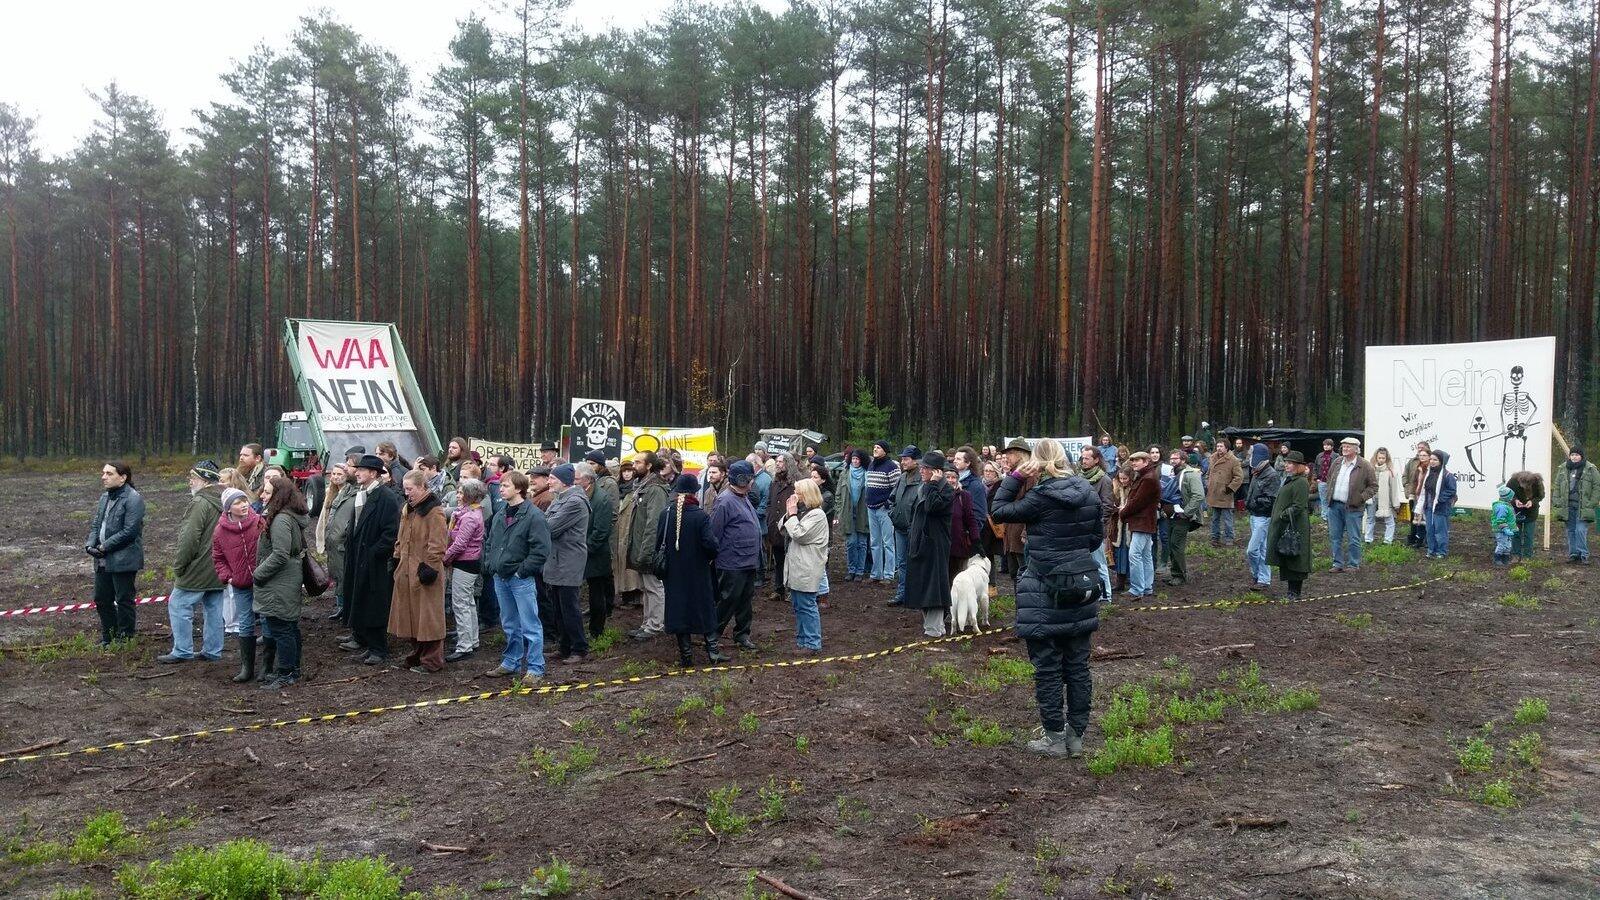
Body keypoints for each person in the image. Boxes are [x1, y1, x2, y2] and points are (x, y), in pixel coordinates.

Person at [990, 437, 1104, 758]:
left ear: (1036, 463)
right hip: (1080, 587)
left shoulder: (1040, 497)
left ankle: (1055, 737)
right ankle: (1076, 736)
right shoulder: (1088, 493)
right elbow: (1096, 538)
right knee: (1078, 667)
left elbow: (998, 512)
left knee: (1048, 668)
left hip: (1043, 591)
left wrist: (1013, 478)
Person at [484, 471, 551, 680]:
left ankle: (535, 668)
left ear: (519, 489)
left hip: (519, 579)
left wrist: (522, 571)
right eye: (501, 485)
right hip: (500, 576)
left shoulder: (534, 516)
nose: (501, 489)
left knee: (530, 624)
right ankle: (511, 661)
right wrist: (490, 564)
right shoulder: (500, 513)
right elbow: (490, 542)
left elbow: (541, 550)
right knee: (510, 623)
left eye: (505, 485)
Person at [160, 460, 227, 664]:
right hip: (220, 565)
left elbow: (189, 537)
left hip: (199, 565)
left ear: (205, 481)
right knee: (214, 607)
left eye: (193, 477)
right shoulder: (225, 501)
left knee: (178, 603)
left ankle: (182, 650)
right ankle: (213, 650)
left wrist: (180, 565)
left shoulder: (200, 503)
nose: (190, 481)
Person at [657, 473, 725, 666]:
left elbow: (658, 544)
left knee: (679, 611)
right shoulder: (701, 516)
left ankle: (686, 657)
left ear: (676, 491)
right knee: (705, 609)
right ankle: (713, 653)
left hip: (674, 574)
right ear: (695, 491)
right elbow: (711, 546)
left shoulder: (666, 514)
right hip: (698, 573)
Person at [342, 454, 402, 664]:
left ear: (373, 473)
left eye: (362, 470)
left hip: (375, 563)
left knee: (375, 604)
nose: (357, 472)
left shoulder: (385, 497)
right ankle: (367, 642)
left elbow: (390, 532)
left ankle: (379, 649)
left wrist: (373, 553)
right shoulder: (361, 494)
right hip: (359, 559)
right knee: (362, 600)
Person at [252, 476, 310, 688]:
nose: (262, 495)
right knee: (288, 626)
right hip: (285, 578)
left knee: (282, 628)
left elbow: (280, 554)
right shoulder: (287, 516)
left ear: (279, 495)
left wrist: (258, 574)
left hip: (280, 581)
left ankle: (286, 673)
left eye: (267, 492)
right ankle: (292, 669)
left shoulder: (281, 520)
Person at [391, 470, 449, 674]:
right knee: (411, 617)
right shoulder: (409, 509)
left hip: (425, 572)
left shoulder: (434, 512)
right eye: (405, 489)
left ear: (423, 488)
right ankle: (417, 655)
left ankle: (432, 660)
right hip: (407, 570)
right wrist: (397, 557)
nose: (407, 493)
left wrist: (430, 568)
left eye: (411, 489)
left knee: (429, 619)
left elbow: (438, 544)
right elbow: (401, 537)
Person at [87, 461, 146, 646]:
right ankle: (109, 637)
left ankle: (126, 638)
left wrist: (104, 547)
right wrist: (90, 544)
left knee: (123, 600)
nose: (103, 477)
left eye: (109, 473)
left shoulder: (133, 498)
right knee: (102, 599)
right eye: (103, 472)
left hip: (124, 559)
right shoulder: (105, 497)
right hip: (103, 559)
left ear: (123, 477)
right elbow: (97, 524)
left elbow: (130, 531)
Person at [212, 488, 263, 682]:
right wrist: (228, 577)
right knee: (245, 623)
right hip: (241, 584)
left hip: (263, 581)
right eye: (237, 502)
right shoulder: (220, 531)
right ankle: (247, 668)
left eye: (244, 500)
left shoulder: (259, 522)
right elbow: (218, 558)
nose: (243, 505)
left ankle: (267, 665)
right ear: (228, 508)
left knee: (266, 620)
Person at [543, 463, 592, 661]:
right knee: (558, 607)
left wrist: (542, 523)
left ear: (564, 482)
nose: (548, 482)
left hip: (568, 561)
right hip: (557, 559)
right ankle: (564, 646)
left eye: (552, 479)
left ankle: (579, 648)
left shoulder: (575, 502)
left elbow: (549, 527)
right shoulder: (560, 499)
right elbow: (545, 521)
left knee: (569, 607)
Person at [904, 450, 956, 637]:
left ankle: (935, 628)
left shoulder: (946, 489)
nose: (921, 471)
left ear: (936, 471)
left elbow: (932, 507)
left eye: (925, 468)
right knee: (922, 583)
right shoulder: (925, 486)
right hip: (921, 542)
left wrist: (934, 484)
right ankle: (932, 626)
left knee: (934, 586)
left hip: (935, 544)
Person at [713, 461, 763, 652]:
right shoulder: (725, 501)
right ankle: (713, 634)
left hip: (747, 560)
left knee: (745, 601)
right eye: (750, 478)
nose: (752, 481)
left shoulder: (743, 497)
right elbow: (715, 533)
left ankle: (742, 635)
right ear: (744, 480)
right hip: (732, 562)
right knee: (727, 600)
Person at [780, 477, 830, 654]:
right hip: (798, 567)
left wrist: (792, 514)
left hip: (807, 568)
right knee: (799, 605)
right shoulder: (803, 512)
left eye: (797, 492)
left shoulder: (817, 515)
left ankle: (812, 643)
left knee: (807, 606)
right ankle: (803, 640)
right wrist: (790, 513)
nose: (794, 496)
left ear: (806, 494)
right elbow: (783, 527)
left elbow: (799, 534)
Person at [625, 452, 672, 640]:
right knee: (645, 588)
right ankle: (647, 623)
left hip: (649, 548)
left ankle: (655, 625)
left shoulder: (655, 489)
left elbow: (654, 524)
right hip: (641, 547)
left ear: (649, 466)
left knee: (654, 588)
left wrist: (646, 552)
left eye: (638, 462)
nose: (633, 465)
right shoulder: (643, 486)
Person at [444, 479, 487, 662]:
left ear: (469, 495)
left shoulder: (470, 517)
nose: (458, 496)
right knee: (468, 603)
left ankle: (464, 646)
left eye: (461, 493)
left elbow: (460, 544)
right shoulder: (468, 513)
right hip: (468, 562)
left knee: (460, 604)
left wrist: (445, 558)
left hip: (465, 563)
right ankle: (472, 640)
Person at [1324, 437, 1377, 572]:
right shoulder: (1337, 462)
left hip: (1353, 507)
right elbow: (1329, 478)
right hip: (1334, 505)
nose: (1345, 449)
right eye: (1343, 446)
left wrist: (1360, 498)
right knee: (1335, 536)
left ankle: (1353, 564)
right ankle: (1337, 564)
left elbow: (1373, 486)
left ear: (1356, 449)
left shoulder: (1364, 465)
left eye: (1348, 447)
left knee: (1354, 537)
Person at [580, 452, 619, 638]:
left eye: (577, 479)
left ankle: (597, 630)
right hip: (588, 551)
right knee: (594, 591)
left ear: (587, 480)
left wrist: (586, 548)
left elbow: (601, 531)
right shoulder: (586, 495)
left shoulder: (601, 498)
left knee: (597, 593)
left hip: (595, 553)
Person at [1267, 452, 1313, 600]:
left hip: (1295, 525)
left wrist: (1283, 515)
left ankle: (1295, 592)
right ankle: (1291, 591)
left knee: (1295, 556)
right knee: (1287, 555)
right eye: (1286, 462)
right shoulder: (1290, 480)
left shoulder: (1301, 482)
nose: (1286, 465)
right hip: (1286, 524)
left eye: (1290, 463)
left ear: (1298, 466)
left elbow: (1299, 506)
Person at [1077, 446, 1116, 598]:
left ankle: (1106, 596)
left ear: (1096, 460)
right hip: (1080, 527)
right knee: (1085, 564)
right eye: (1082, 458)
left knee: (1099, 563)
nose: (1084, 461)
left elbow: (1107, 506)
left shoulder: (1104, 479)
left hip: (1096, 529)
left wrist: (1096, 525)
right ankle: (1092, 593)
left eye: (1087, 458)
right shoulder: (1079, 477)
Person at [319, 463, 356, 622]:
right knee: (335, 574)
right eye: (333, 474)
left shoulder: (350, 493)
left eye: (339, 474)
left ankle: (344, 608)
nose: (335, 477)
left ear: (347, 475)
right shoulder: (330, 492)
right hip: (332, 539)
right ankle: (340, 606)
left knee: (343, 575)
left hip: (341, 540)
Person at [1242, 444, 1282, 588]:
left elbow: (1271, 500)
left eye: (1252, 454)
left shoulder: (1272, 475)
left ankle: (1258, 575)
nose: (1250, 457)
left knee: (1252, 550)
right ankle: (1262, 579)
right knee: (1262, 548)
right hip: (1255, 515)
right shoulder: (1256, 472)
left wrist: (1252, 502)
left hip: (1263, 517)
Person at [1120, 452, 1159, 598]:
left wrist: (1123, 513)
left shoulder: (1148, 479)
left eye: (1137, 460)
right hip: (1144, 521)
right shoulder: (1146, 476)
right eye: (1132, 461)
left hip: (1142, 521)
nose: (1134, 463)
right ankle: (1147, 587)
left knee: (1135, 554)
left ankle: (1137, 589)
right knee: (1145, 555)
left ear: (1146, 462)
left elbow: (1137, 502)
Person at [764, 455, 801, 603]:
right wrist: (769, 518)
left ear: (788, 464)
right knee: (778, 560)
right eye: (777, 462)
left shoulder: (797, 483)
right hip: (775, 527)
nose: (778, 464)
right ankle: (778, 589)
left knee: (791, 560)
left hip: (790, 526)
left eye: (781, 462)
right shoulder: (774, 483)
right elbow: (769, 503)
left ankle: (791, 590)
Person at [888, 446, 922, 606]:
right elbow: (892, 498)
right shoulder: (901, 478)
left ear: (916, 460)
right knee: (901, 562)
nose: (902, 462)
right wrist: (893, 514)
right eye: (902, 459)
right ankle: (902, 594)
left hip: (915, 529)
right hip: (900, 527)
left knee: (916, 562)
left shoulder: (922, 479)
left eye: (906, 459)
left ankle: (916, 595)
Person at [1000, 439, 1036, 585]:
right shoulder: (1014, 475)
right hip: (1011, 534)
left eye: (1010, 453)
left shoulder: (1030, 476)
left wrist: (1025, 532)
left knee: (1025, 576)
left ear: (1021, 455)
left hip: (1022, 535)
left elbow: (1031, 506)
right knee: (1015, 575)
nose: (1006, 457)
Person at [864, 440, 901, 584]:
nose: (875, 449)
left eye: (878, 447)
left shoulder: (892, 467)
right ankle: (876, 573)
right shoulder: (872, 465)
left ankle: (889, 574)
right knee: (874, 542)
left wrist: (888, 503)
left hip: (884, 509)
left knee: (888, 542)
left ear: (885, 450)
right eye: (874, 447)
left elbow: (897, 488)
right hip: (871, 507)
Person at [1166, 451, 1204, 586]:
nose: (1172, 461)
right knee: (1171, 544)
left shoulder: (1191, 474)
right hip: (1172, 515)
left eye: (1175, 458)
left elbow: (1199, 495)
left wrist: (1187, 513)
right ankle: (1175, 573)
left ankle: (1179, 576)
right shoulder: (1173, 474)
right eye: (1171, 458)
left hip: (1182, 516)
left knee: (1176, 544)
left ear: (1183, 460)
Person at [1558, 448, 1600, 563]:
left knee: (1580, 530)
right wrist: (1557, 500)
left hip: (1584, 506)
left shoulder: (1591, 469)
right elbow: (1557, 485)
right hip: (1568, 506)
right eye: (1572, 455)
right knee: (1570, 530)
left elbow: (1597, 487)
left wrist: (1592, 503)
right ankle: (1573, 554)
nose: (1574, 457)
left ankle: (1583, 555)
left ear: (1581, 456)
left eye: (1576, 455)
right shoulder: (1563, 468)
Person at [836, 449, 871, 580]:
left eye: (858, 459)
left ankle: (860, 571)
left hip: (863, 513)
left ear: (862, 460)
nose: (855, 461)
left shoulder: (868, 474)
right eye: (853, 459)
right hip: (847, 513)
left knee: (862, 543)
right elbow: (838, 494)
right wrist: (839, 510)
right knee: (851, 543)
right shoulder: (845, 473)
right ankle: (851, 570)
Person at [1419, 450, 1459, 559]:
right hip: (1429, 507)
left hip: (1440, 508)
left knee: (1440, 531)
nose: (1432, 461)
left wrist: (1440, 499)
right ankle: (1431, 550)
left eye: (1435, 460)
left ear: (1441, 461)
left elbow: (1452, 490)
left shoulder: (1447, 475)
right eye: (1431, 459)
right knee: (1430, 530)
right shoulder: (1428, 474)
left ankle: (1442, 552)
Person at [944, 465, 981, 581]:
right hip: (941, 546)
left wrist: (976, 540)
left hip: (958, 546)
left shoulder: (964, 496)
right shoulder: (938, 495)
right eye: (947, 477)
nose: (951, 480)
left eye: (953, 477)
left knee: (958, 580)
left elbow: (971, 519)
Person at [1364, 448, 1406, 545]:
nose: (1381, 460)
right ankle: (1368, 539)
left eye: (1383, 458)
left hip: (1385, 499)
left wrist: (1395, 504)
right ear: (1376, 458)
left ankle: (1388, 540)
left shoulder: (1391, 472)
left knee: (1389, 519)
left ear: (1386, 459)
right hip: (1372, 498)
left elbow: (1394, 489)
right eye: (1379, 458)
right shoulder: (1370, 470)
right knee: (1370, 518)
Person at [1206, 442, 1244, 546]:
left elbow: (1239, 477)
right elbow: (1209, 473)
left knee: (1227, 518)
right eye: (1217, 446)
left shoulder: (1233, 460)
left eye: (1221, 446)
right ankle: (1214, 538)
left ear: (1226, 448)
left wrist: (1230, 488)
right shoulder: (1212, 458)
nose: (1218, 448)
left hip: (1225, 493)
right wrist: (1208, 484)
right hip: (1214, 492)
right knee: (1214, 518)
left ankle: (1229, 538)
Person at [1508, 471, 1545, 559]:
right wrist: (1515, 500)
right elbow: (1508, 494)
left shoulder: (1537, 482)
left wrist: (1532, 502)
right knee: (1516, 533)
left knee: (1529, 534)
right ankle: (1515, 555)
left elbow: (1541, 496)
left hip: (1531, 511)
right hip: (1515, 511)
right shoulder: (1512, 481)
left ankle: (1527, 556)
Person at [1404, 442, 1433, 548]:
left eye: (1424, 453)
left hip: (1427, 497)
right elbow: (1407, 476)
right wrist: (1407, 488)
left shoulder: (1432, 466)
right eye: (1419, 451)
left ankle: (1427, 540)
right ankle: (1418, 539)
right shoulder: (1415, 464)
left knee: (1427, 519)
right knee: (1416, 518)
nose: (1422, 456)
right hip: (1416, 495)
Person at [1109, 469, 1132, 591]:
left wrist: (1125, 509)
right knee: (1119, 553)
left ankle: (1130, 578)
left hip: (1130, 526)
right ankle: (1120, 581)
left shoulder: (1133, 490)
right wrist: (1117, 510)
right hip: (1118, 526)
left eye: (1125, 478)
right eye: (1121, 479)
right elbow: (1110, 506)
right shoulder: (1116, 491)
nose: (1123, 481)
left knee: (1129, 553)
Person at [954, 445, 989, 526]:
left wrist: (968, 534)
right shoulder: (951, 480)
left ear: (968, 463)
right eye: (955, 458)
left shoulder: (976, 485)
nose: (954, 461)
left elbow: (979, 516)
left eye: (958, 459)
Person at [1491, 486, 1518, 566]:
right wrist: (1505, 529)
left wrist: (1513, 526)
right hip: (1501, 530)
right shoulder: (1501, 507)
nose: (1512, 498)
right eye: (1511, 497)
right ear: (1507, 497)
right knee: (1502, 544)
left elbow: (1509, 517)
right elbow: (1500, 519)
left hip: (1509, 530)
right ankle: (1497, 559)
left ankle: (1505, 559)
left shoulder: (1507, 505)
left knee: (1508, 545)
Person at [1313, 438, 1336, 517]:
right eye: (1324, 445)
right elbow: (1315, 467)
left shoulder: (1336, 456)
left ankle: (1331, 516)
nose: (1326, 447)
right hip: (1322, 481)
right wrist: (1317, 478)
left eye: (1328, 445)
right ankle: (1324, 516)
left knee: (1332, 499)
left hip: (1332, 482)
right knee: (1323, 499)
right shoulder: (1319, 456)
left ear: (1332, 446)